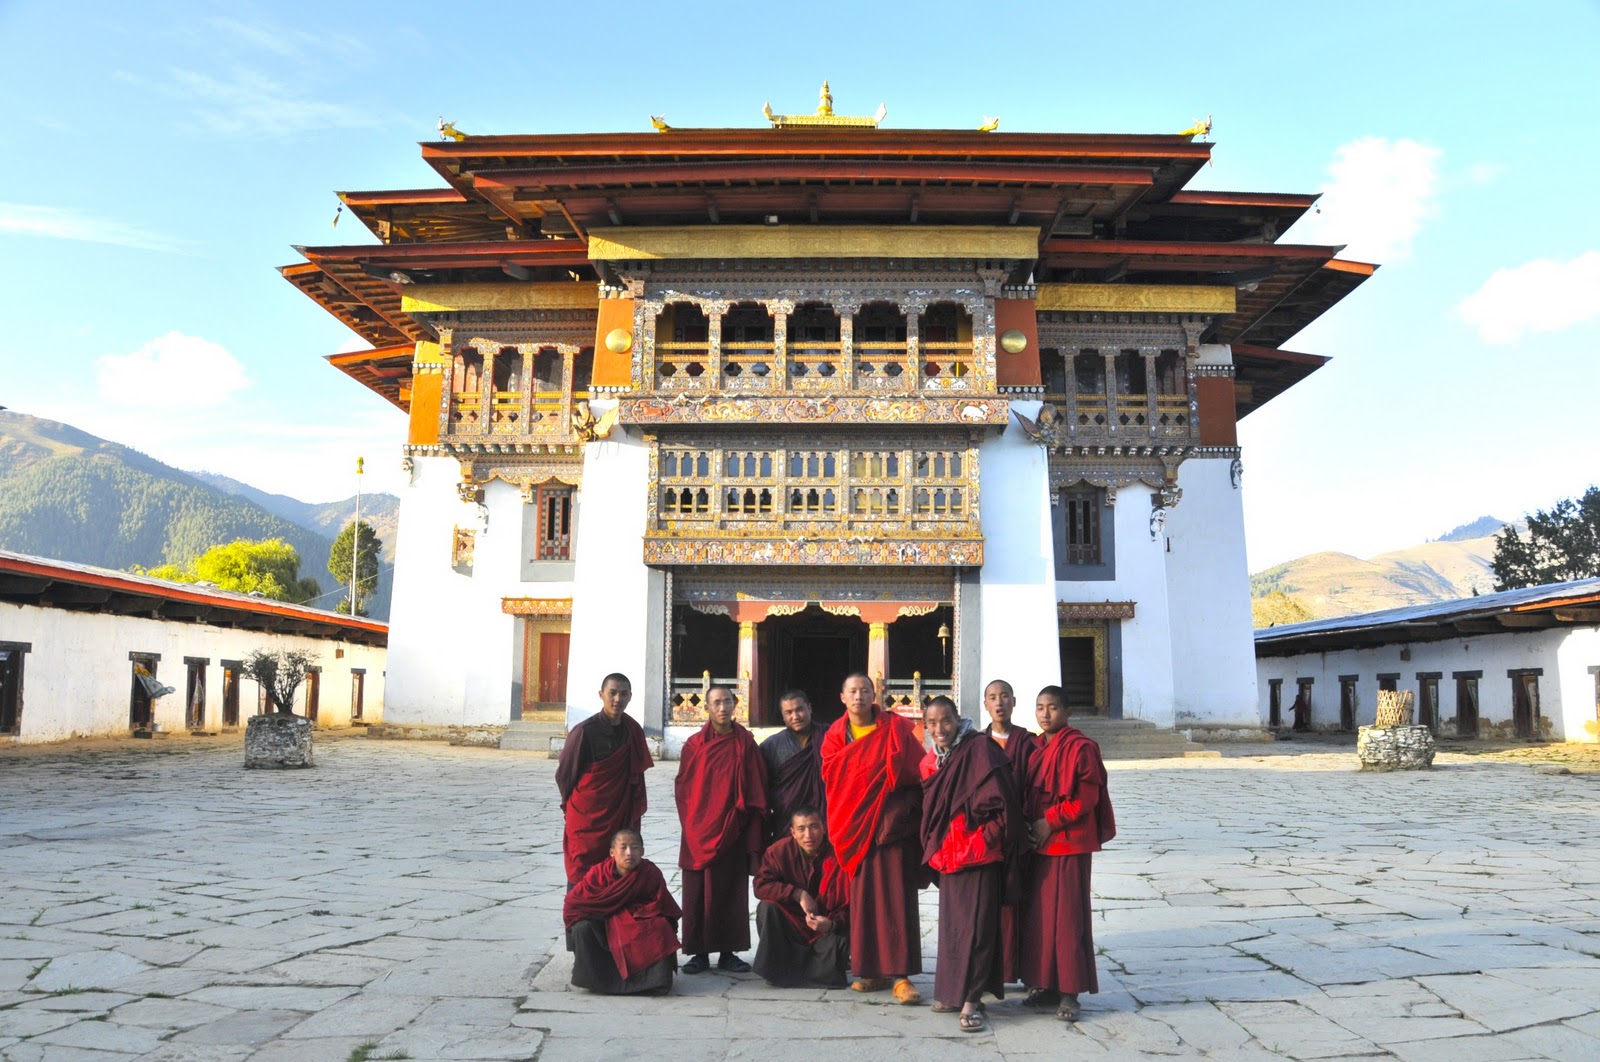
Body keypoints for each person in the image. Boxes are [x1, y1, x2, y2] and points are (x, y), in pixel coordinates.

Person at [819, 672, 925, 1004]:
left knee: (897, 901)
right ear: (842, 697)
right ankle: (873, 970)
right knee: (864, 903)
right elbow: (835, 781)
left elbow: (918, 772)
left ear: (874, 694)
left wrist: (899, 812)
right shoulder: (835, 737)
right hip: (855, 828)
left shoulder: (895, 730)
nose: (859, 696)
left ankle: (902, 975)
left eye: (865, 690)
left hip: (891, 829)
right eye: (853, 691)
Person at [920, 696, 1023, 1033]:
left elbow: (1004, 803)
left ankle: (971, 1000)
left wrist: (984, 839)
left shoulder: (980, 748)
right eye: (932, 723)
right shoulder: (937, 758)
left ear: (958, 719)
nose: (939, 729)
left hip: (979, 854)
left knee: (978, 929)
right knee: (953, 926)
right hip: (950, 855)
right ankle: (952, 992)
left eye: (945, 721)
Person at [1020, 685, 1116, 1023]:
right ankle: (1045, 985)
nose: (1046, 714)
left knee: (1069, 919)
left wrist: (1049, 821)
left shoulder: (1082, 748)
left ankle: (1070, 993)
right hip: (1039, 845)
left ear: (1068, 712)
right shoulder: (1035, 749)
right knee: (1041, 919)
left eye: (1054, 708)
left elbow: (1086, 799)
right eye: (1040, 707)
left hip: (1069, 843)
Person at [675, 684, 768, 974]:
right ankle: (699, 954)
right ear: (707, 708)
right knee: (698, 893)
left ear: (734, 705)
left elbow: (757, 786)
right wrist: (693, 824)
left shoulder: (745, 743)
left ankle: (728, 952)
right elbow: (684, 789)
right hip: (698, 828)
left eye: (727, 701)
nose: (722, 708)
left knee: (730, 892)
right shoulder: (694, 745)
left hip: (733, 828)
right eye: (716, 702)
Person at [555, 673, 653, 886]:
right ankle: (580, 917)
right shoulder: (584, 731)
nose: (618, 699)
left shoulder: (633, 730)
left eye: (624, 694)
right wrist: (578, 806)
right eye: (612, 693)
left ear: (630, 697)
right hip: (587, 818)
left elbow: (636, 773)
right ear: (601, 695)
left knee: (616, 870)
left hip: (620, 813)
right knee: (582, 873)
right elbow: (565, 775)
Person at [563, 828, 681, 995]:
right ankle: (596, 980)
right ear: (612, 852)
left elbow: (663, 906)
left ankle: (652, 983)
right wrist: (610, 915)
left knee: (661, 926)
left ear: (642, 851)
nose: (629, 853)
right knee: (582, 927)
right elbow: (574, 903)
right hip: (603, 922)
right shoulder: (599, 873)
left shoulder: (650, 873)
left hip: (637, 919)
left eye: (634, 847)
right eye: (623, 847)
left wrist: (634, 914)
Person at [752, 805, 850, 987]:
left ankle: (821, 970)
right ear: (792, 832)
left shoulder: (838, 854)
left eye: (814, 827)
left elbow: (851, 903)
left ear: (824, 827)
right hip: (791, 926)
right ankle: (778, 967)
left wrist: (831, 924)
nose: (808, 835)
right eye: (801, 829)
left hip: (826, 926)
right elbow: (761, 886)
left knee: (846, 927)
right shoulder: (778, 851)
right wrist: (797, 894)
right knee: (767, 907)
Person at [982, 678, 1034, 984]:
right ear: (985, 704)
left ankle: (1022, 968)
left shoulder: (1028, 743)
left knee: (1021, 903)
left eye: (1004, 696)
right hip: (990, 838)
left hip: (1020, 837)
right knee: (991, 906)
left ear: (1014, 702)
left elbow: (1035, 786)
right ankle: (993, 971)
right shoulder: (977, 744)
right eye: (993, 697)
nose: (999, 702)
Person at [759, 689, 826, 844]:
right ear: (783, 716)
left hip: (823, 817)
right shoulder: (771, 746)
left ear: (809, 708)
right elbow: (762, 787)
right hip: (787, 820)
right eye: (788, 712)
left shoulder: (829, 736)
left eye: (800, 709)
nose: (795, 716)